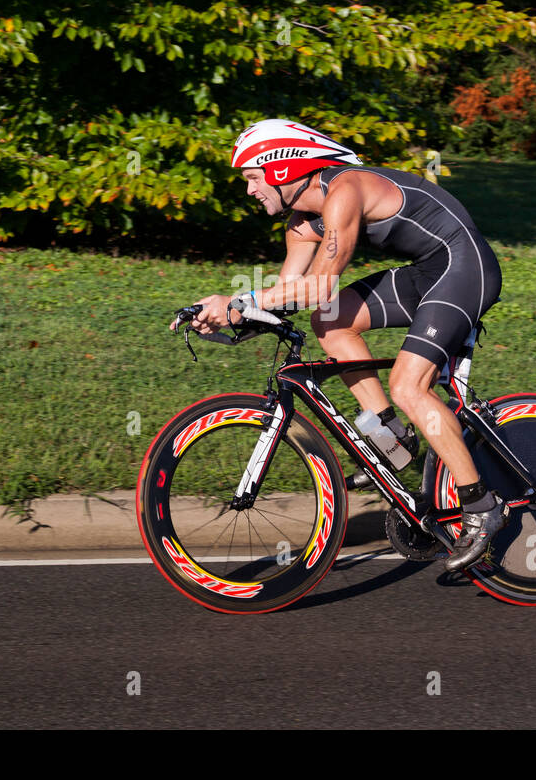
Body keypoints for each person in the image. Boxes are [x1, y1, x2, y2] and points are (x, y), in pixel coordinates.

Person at [172, 118, 505, 571]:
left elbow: (319, 284)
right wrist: (234, 318)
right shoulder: (300, 224)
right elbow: (291, 293)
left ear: (283, 166)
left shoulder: (345, 190)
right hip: (426, 272)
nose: (249, 191)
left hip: (465, 266)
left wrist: (237, 300)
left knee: (411, 386)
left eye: (252, 178)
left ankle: (482, 507)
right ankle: (393, 438)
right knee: (329, 322)